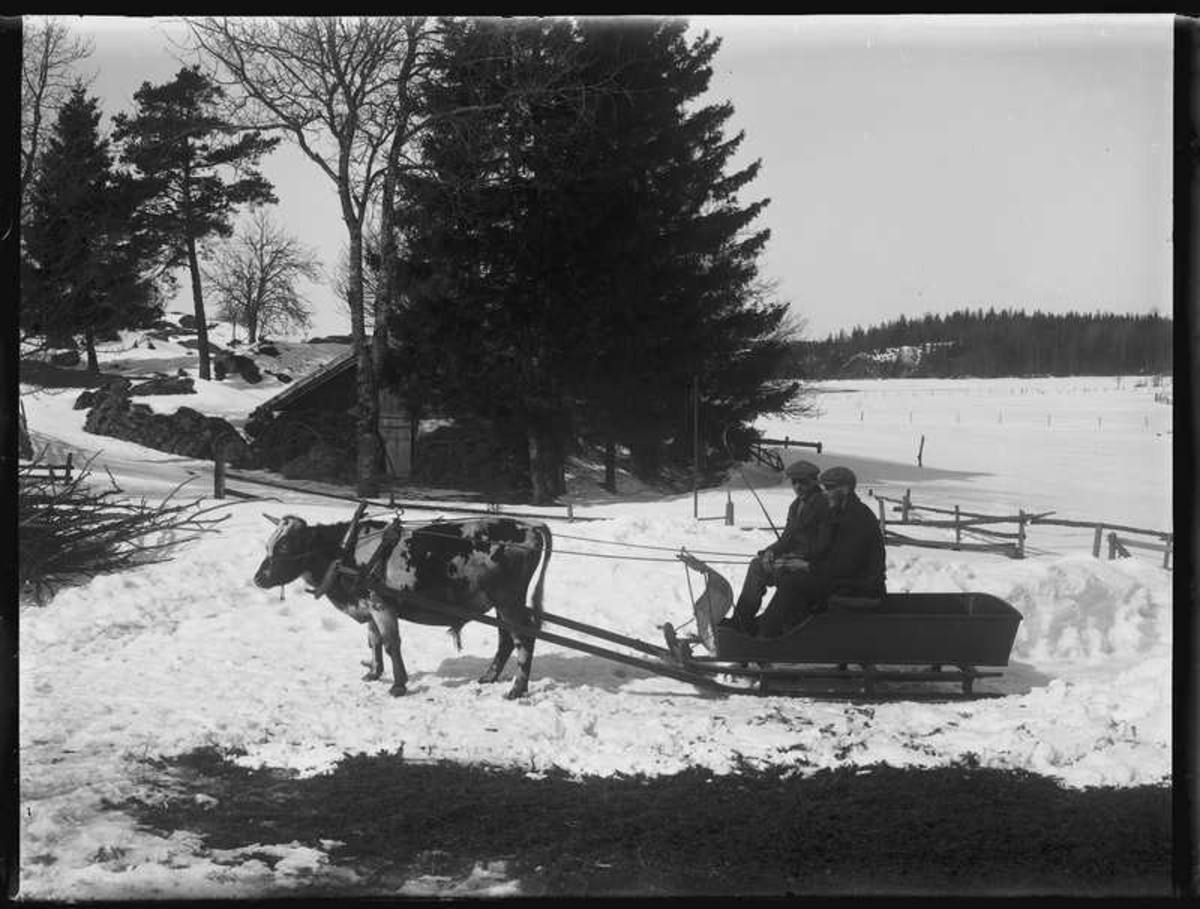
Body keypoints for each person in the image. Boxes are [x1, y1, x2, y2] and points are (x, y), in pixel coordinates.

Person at [753, 465, 887, 639]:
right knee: (791, 577)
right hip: (848, 581)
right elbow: (832, 555)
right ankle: (786, 629)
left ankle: (764, 638)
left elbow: (845, 566)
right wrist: (795, 560)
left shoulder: (856, 517)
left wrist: (807, 566)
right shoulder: (842, 512)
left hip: (861, 587)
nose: (825, 493)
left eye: (830, 488)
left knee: (793, 583)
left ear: (845, 489)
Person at [724, 459, 832, 635]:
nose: (798, 487)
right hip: (792, 560)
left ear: (814, 481)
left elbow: (823, 545)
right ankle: (741, 622)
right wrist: (770, 552)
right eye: (794, 482)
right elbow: (787, 539)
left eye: (803, 482)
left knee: (783, 574)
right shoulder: (796, 506)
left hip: (810, 567)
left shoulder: (823, 505)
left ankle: (770, 626)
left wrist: (794, 558)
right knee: (757, 566)